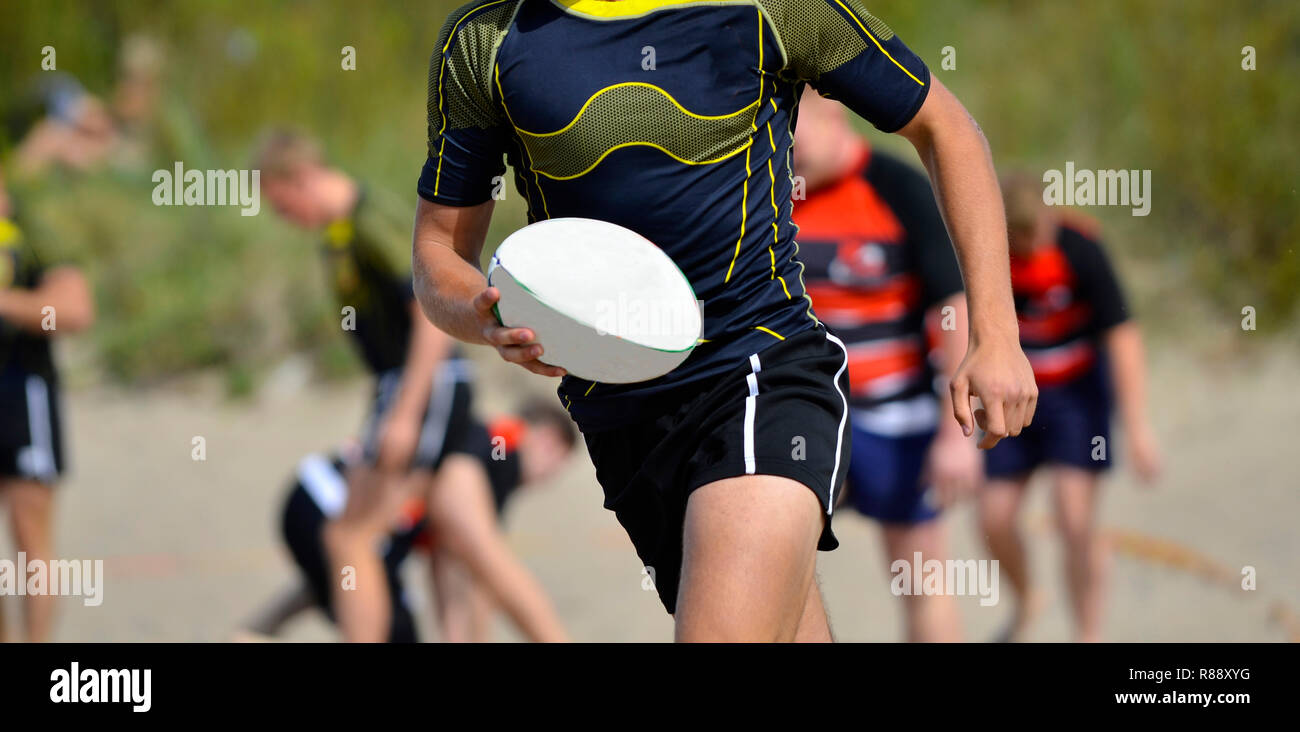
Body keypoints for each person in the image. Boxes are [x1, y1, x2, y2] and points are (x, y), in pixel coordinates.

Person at [411, 0, 1037, 642]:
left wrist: (997, 335)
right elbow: (439, 252)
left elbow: (945, 127)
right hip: (620, 421)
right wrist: (485, 313)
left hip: (760, 374)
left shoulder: (772, 8)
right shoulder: (484, 40)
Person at [255, 130, 568, 642]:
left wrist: (404, 412)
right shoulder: (339, 233)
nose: (283, 218)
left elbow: (427, 316)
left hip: (424, 386)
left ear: (302, 178)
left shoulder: (367, 220)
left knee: (348, 537)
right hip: (420, 388)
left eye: (282, 205)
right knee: (472, 547)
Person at [791, 90, 981, 641]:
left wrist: (954, 435)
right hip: (812, 419)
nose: (789, 162)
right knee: (776, 567)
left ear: (834, 115)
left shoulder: (899, 188)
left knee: (921, 584)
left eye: (797, 148)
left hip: (900, 422)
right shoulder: (773, 196)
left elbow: (954, 309)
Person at [979, 172, 1162, 642]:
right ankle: (1027, 600)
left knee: (1074, 519)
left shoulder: (1080, 247)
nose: (1033, 241)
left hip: (1078, 397)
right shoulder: (988, 257)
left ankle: (1087, 634)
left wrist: (1138, 427)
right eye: (1020, 234)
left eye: (1038, 228)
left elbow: (1122, 336)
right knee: (995, 517)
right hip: (1017, 394)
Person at [236, 401, 576, 642]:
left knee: (363, 592)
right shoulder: (505, 448)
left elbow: (449, 565)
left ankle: (252, 635)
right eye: (558, 464)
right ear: (548, 440)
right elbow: (486, 568)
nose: (550, 479)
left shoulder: (473, 443)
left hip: (311, 495)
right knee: (389, 624)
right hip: (333, 501)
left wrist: (267, 621)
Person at [0, 170, 95, 642]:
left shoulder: (32, 236)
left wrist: (7, 304)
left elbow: (74, 311)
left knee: (29, 536)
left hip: (21, 390)